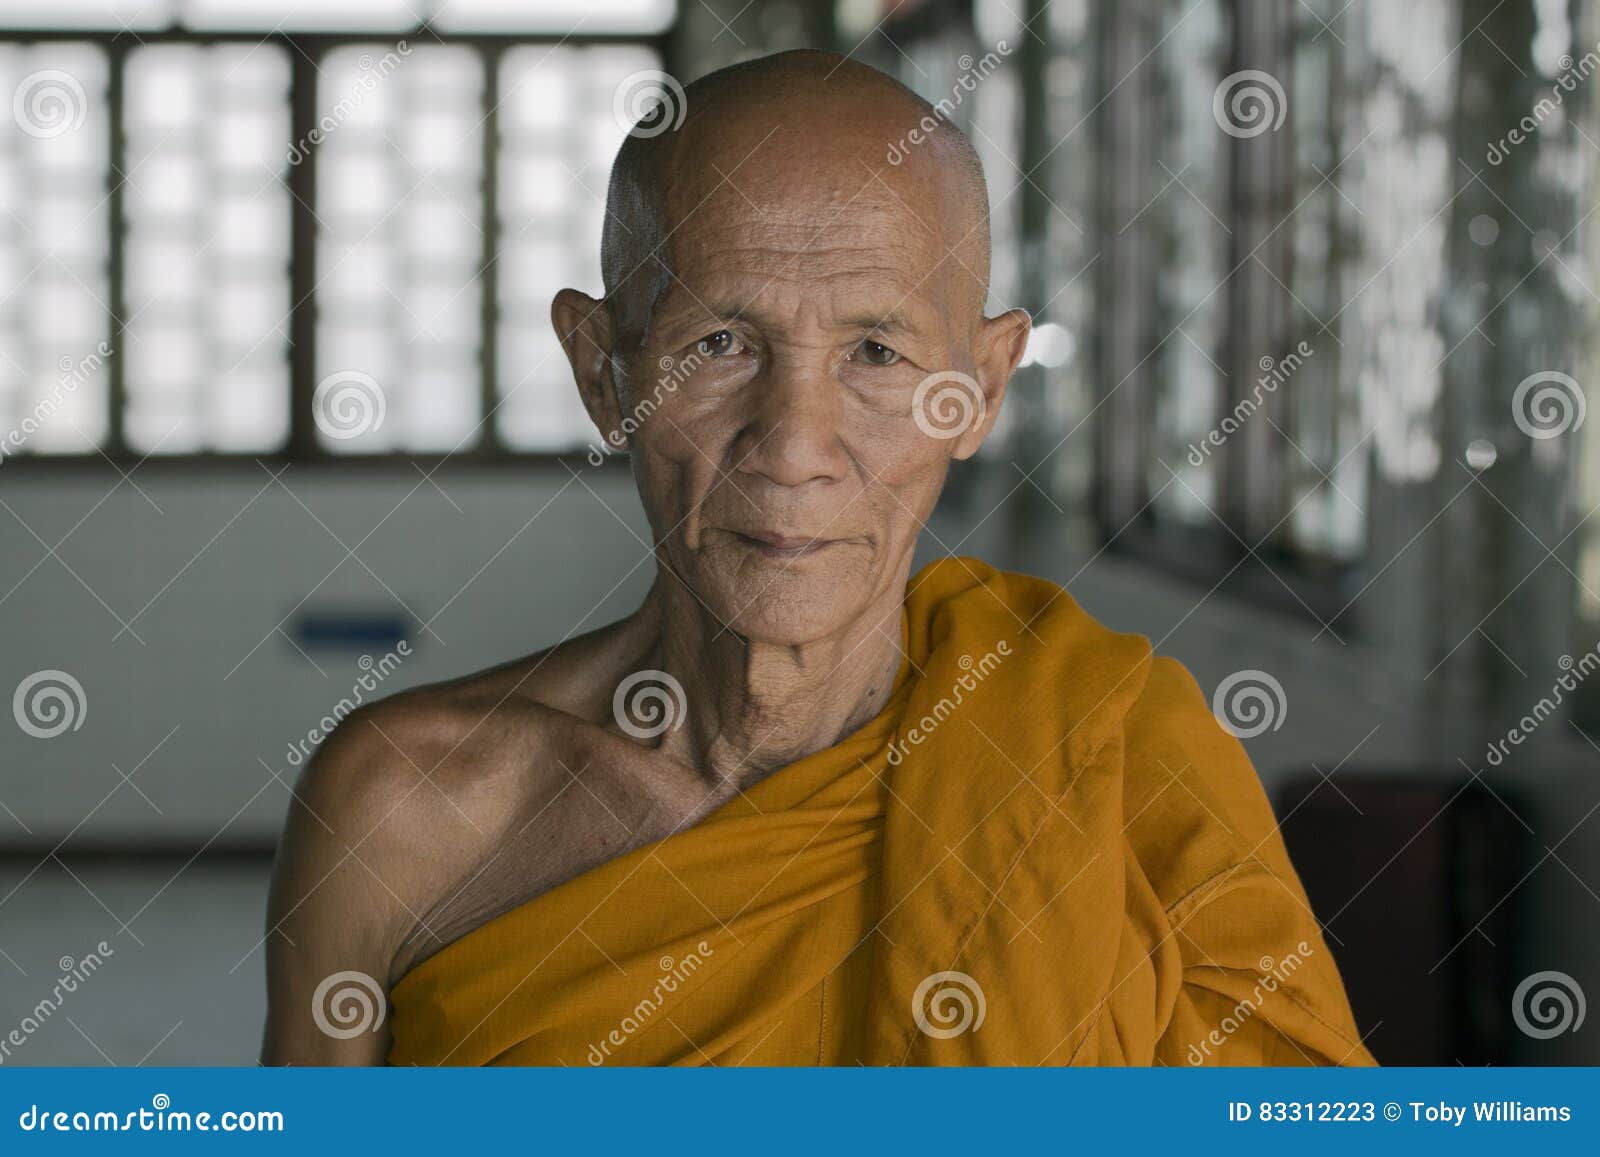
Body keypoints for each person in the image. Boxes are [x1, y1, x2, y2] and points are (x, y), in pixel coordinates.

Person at [262, 49, 1372, 1067]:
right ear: (603, 372)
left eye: (876, 352)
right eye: (718, 344)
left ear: (981, 387)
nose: (794, 447)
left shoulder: (1113, 760)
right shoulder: (406, 812)